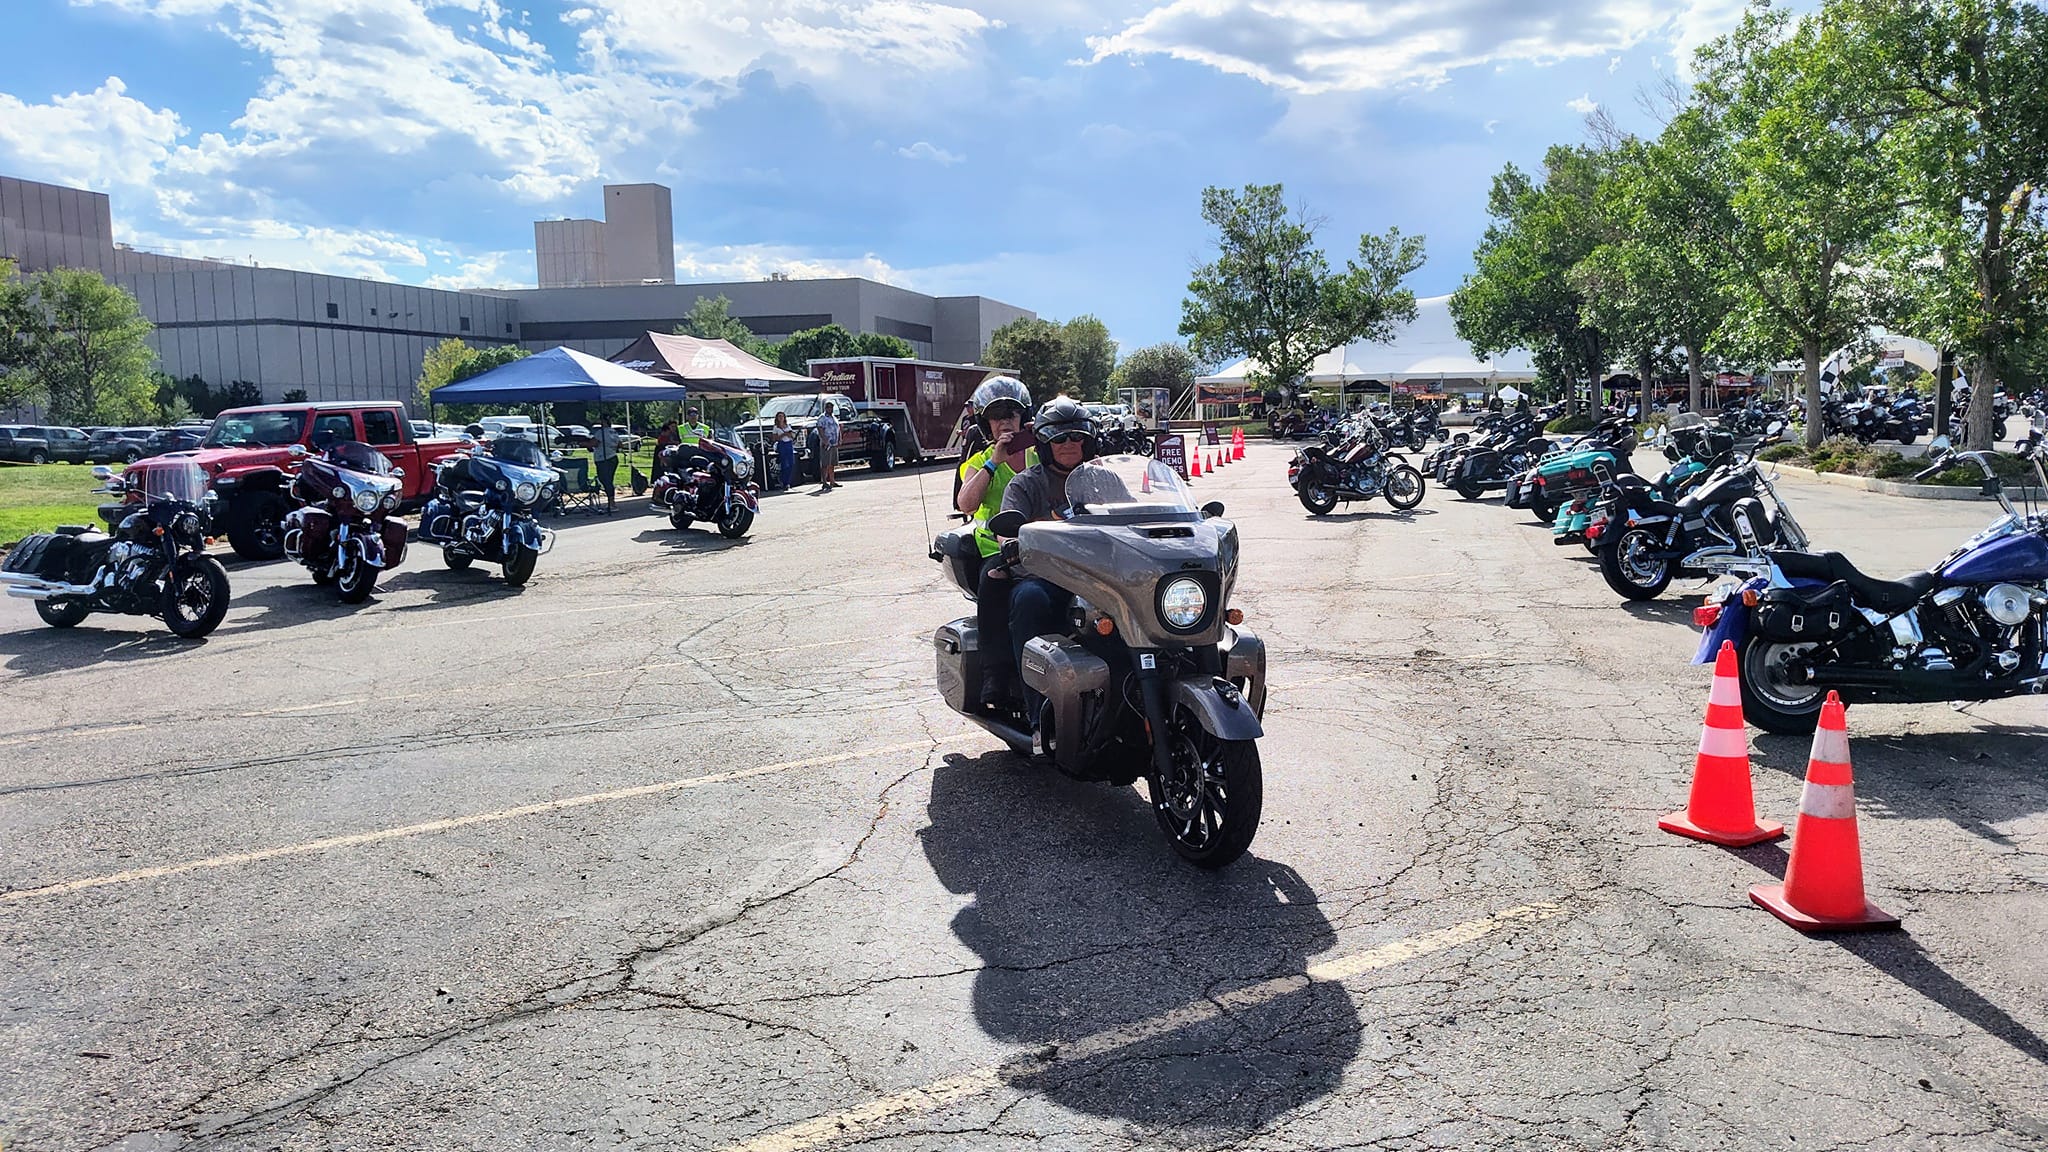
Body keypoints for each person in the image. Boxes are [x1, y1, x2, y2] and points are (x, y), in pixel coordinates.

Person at [996, 397, 1096, 730]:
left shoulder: (1105, 481)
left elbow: (1137, 511)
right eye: (1059, 438)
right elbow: (1008, 530)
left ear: (1088, 440)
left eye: (1076, 436)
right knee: (1029, 600)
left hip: (1103, 576)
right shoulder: (1026, 483)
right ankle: (1040, 716)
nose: (1069, 444)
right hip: (1047, 577)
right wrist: (1013, 542)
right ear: (1044, 443)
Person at [952, 377, 1035, 705]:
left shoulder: (1041, 453)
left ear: (1022, 416)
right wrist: (994, 461)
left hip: (1047, 546)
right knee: (993, 581)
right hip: (997, 549)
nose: (1005, 420)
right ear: (986, 422)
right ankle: (995, 673)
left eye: (1011, 413)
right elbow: (967, 504)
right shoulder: (978, 461)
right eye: (997, 414)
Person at [591, 411, 623, 514]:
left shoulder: (600, 433)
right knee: (609, 480)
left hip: (603, 459)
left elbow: (594, 443)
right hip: (613, 457)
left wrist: (583, 443)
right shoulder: (613, 432)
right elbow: (620, 445)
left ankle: (612, 503)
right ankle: (611, 502)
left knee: (605, 480)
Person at [815, 401, 841, 490]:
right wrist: (824, 440)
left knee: (832, 463)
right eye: (828, 407)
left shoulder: (834, 417)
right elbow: (820, 428)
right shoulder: (822, 418)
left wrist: (839, 439)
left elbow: (838, 428)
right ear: (825, 408)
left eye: (831, 407)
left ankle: (832, 481)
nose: (830, 409)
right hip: (826, 444)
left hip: (834, 443)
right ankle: (824, 481)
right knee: (825, 463)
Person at [773, 410, 797, 492]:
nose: (781, 418)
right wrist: (783, 434)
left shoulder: (788, 426)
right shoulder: (776, 427)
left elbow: (792, 435)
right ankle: (784, 483)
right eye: (779, 416)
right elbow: (775, 438)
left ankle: (788, 481)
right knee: (784, 464)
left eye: (782, 416)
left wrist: (790, 434)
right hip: (782, 444)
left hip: (789, 444)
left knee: (791, 463)